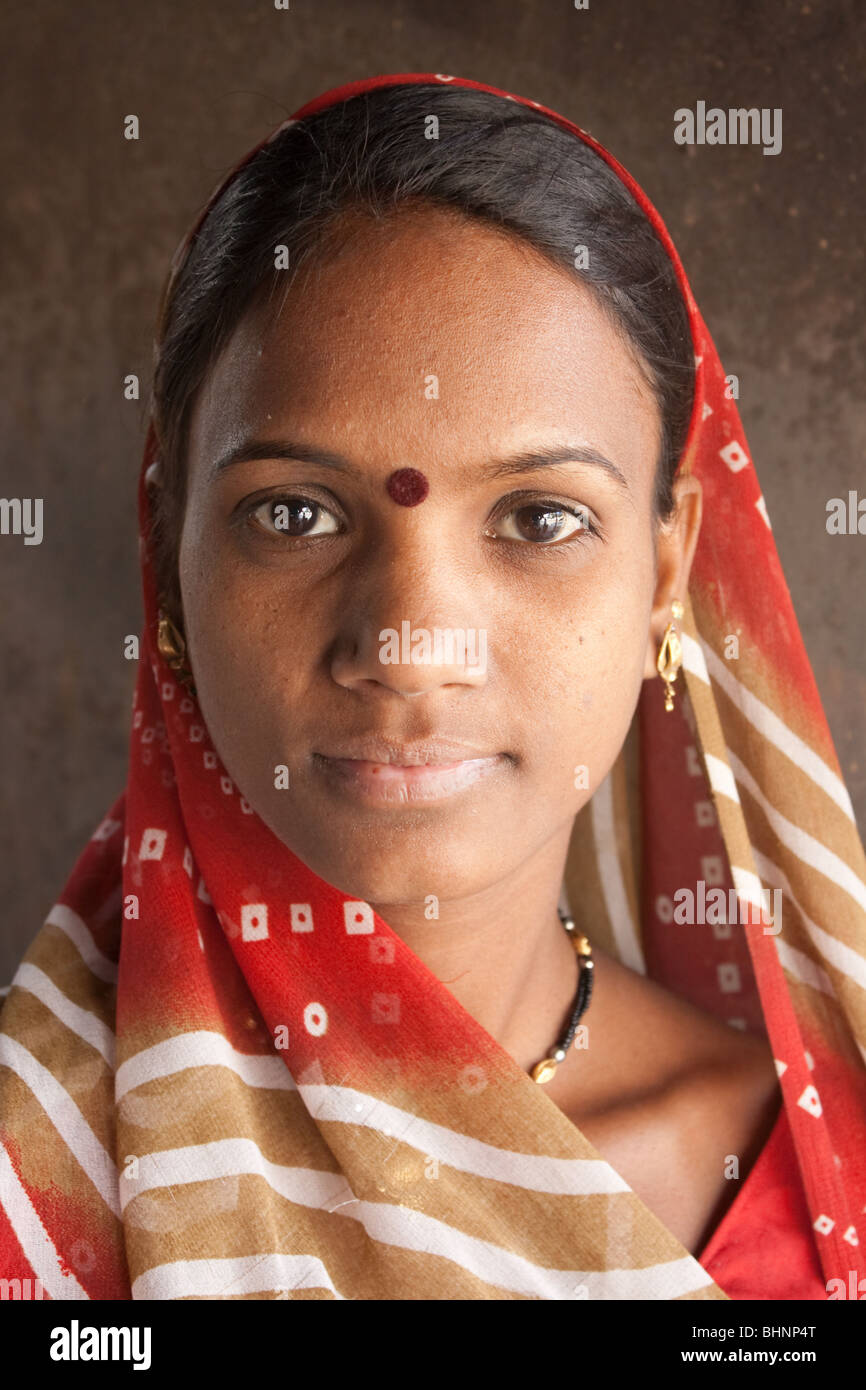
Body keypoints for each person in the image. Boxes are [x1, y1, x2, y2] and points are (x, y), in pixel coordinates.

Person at [1, 72, 864, 1302]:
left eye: (537, 516)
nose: (406, 642)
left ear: (665, 570)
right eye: (294, 513)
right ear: (167, 551)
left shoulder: (825, 1173)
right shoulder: (41, 1180)